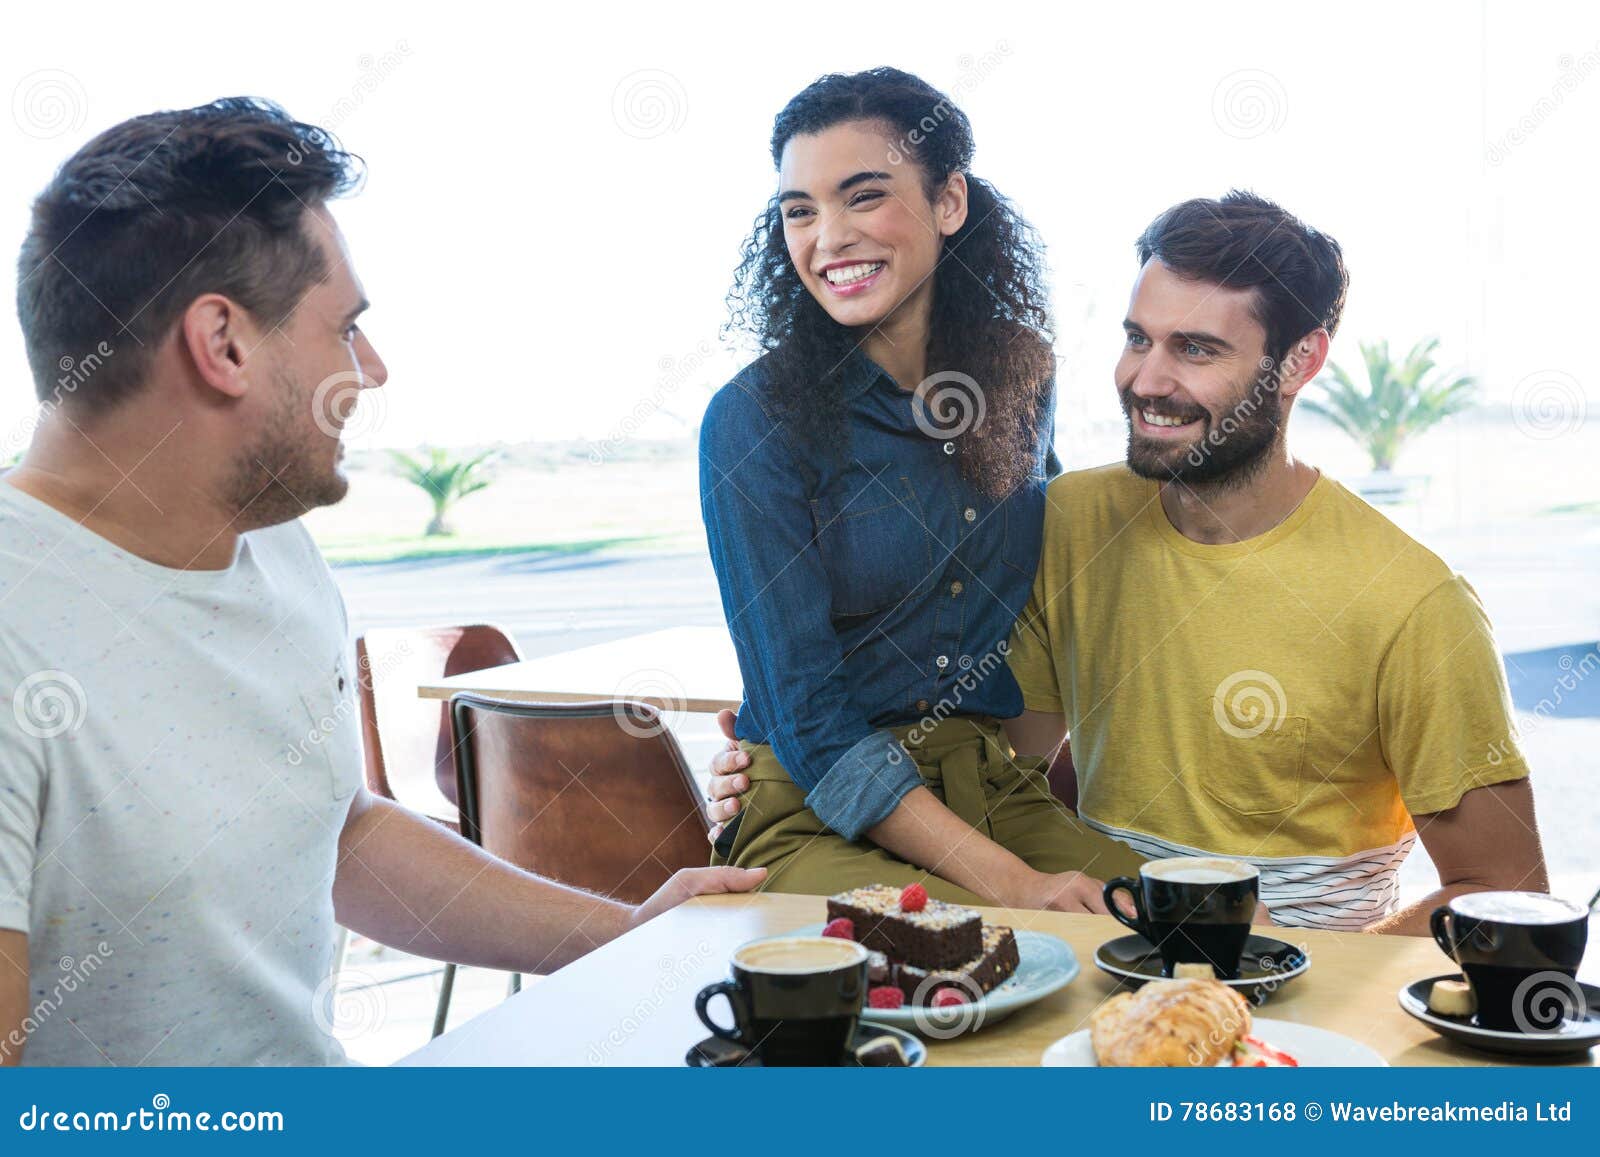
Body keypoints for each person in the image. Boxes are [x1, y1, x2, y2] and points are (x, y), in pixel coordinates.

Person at [0, 98, 763, 1067]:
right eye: (346, 328)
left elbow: (335, 832)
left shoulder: (271, 543)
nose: (372, 368)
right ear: (223, 344)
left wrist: (633, 935)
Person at [711, 191, 1547, 934]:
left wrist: (1304, 974)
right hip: (1103, 928)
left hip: (1309, 971)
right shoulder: (1074, 521)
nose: (1146, 379)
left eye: (1196, 349)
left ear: (1301, 361)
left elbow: (1506, 893)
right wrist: (794, 753)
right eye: (1137, 337)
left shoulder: (1415, 602)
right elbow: (1002, 749)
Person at [699, 67, 1145, 911]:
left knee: (1183, 925)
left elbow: (1034, 594)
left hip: (992, 793)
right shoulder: (751, 421)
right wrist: (1019, 886)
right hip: (816, 812)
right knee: (975, 950)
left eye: (863, 197)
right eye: (799, 210)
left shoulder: (1022, 374)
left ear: (949, 203)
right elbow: (812, 721)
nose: (826, 237)